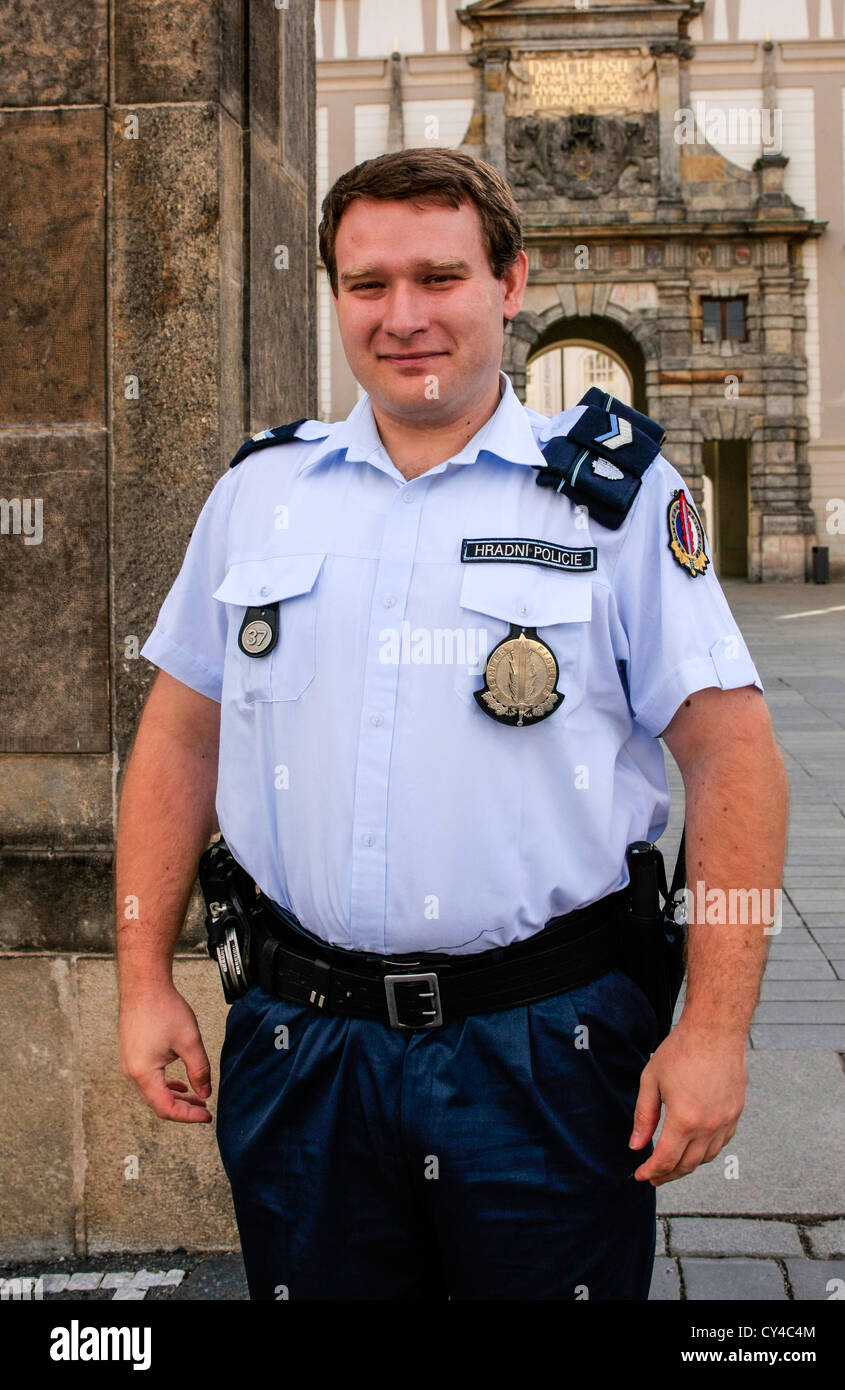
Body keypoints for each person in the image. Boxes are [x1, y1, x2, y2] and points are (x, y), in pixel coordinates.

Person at [116, 147, 788, 1301]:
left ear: (509, 282)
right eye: (368, 285)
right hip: (301, 1043)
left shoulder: (613, 500)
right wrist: (140, 976)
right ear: (333, 296)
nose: (403, 316)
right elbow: (181, 733)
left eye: (439, 277)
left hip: (540, 1054)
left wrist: (714, 1031)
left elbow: (731, 755)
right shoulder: (259, 496)